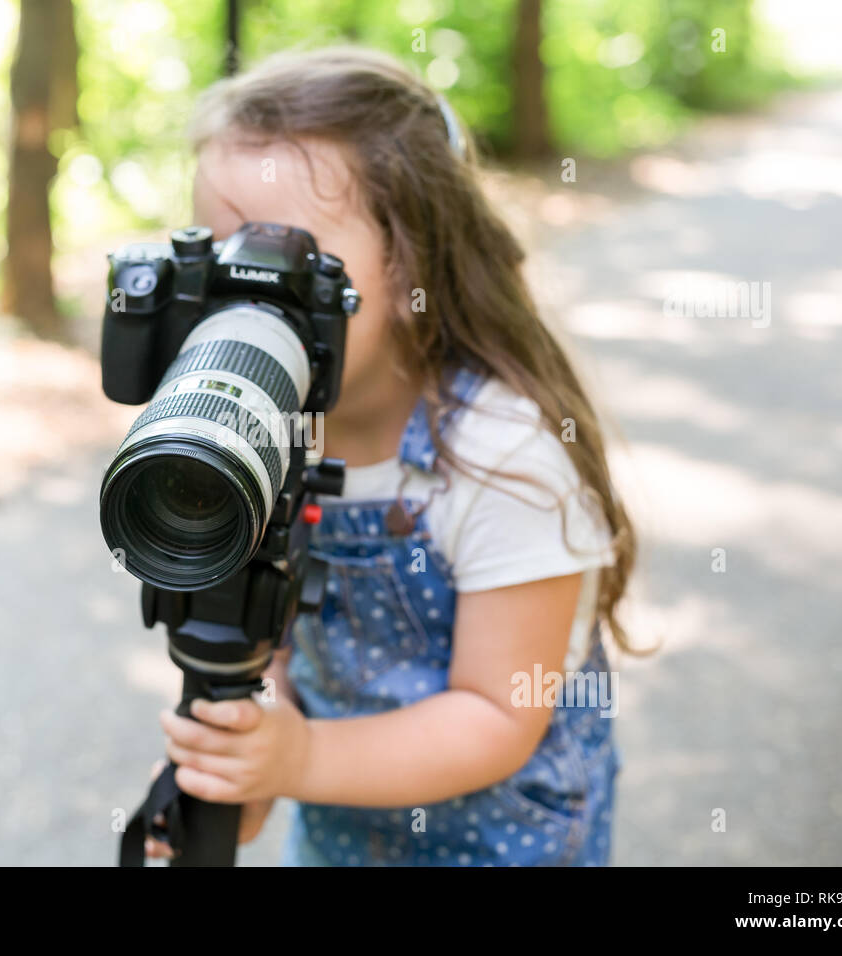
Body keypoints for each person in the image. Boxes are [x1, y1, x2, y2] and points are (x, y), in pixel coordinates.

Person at [147, 46, 641, 866]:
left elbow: (496, 714)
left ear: (415, 257)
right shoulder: (270, 427)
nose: (250, 288)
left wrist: (299, 759)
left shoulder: (502, 457)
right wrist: (245, 759)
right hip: (343, 833)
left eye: (285, 257)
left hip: (505, 843)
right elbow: (267, 643)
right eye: (227, 255)